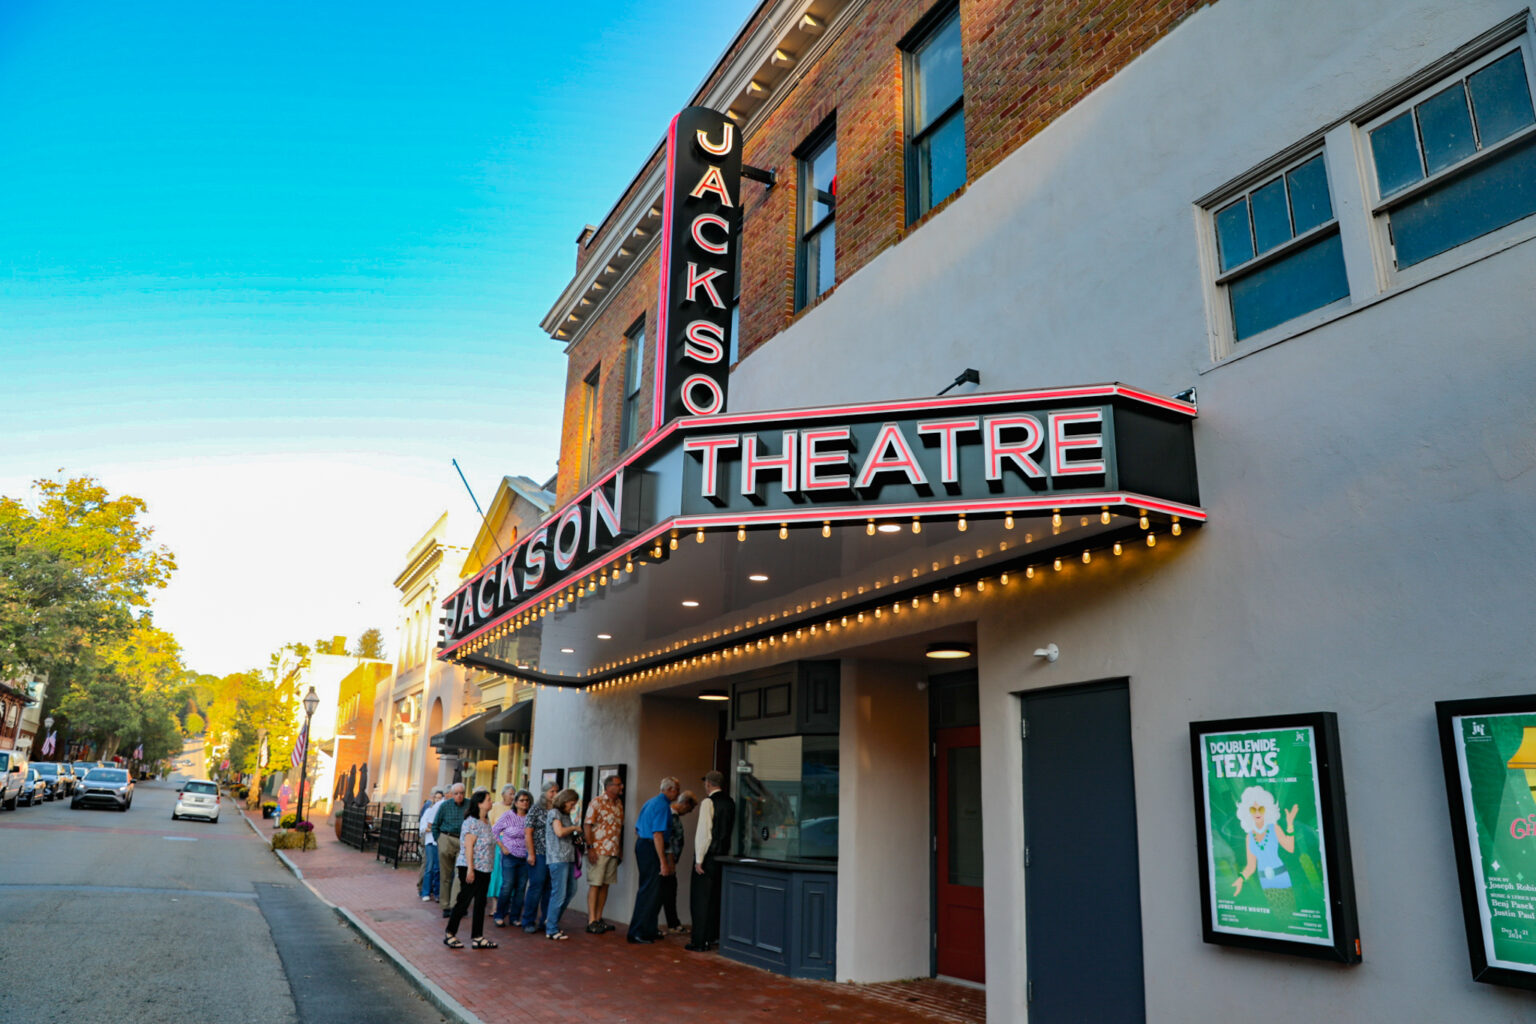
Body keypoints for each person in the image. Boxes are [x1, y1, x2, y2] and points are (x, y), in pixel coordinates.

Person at [627, 776, 680, 944]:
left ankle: (648, 929)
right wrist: (663, 862)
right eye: (677, 789)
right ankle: (637, 932)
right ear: (670, 790)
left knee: (652, 890)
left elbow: (638, 828)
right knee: (649, 890)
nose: (677, 793)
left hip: (642, 844)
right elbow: (657, 834)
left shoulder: (650, 802)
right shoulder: (663, 806)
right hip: (652, 847)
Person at [686, 771, 735, 952]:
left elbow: (704, 833)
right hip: (723, 855)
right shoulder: (730, 802)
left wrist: (699, 859)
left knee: (701, 900)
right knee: (715, 898)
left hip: (708, 856)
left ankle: (700, 940)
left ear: (708, 784)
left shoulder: (708, 802)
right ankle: (713, 935)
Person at [444, 788, 497, 950]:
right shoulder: (471, 822)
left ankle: (477, 936)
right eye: (488, 799)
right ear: (479, 804)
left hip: (485, 868)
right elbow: (468, 846)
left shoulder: (486, 822)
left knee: (481, 902)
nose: (491, 802)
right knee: (464, 901)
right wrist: (470, 869)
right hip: (471, 867)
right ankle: (450, 933)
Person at [582, 773, 625, 934]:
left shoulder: (619, 804)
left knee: (606, 884)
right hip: (598, 850)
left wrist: (619, 848)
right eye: (618, 784)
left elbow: (619, 828)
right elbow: (587, 825)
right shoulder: (597, 802)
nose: (621, 787)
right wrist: (590, 847)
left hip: (612, 850)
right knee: (595, 883)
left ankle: (599, 918)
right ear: (608, 787)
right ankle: (591, 919)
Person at [520, 781, 560, 933]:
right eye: (552, 791)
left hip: (553, 854)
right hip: (539, 853)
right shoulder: (536, 809)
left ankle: (546, 920)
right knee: (536, 885)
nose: (554, 794)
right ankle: (528, 920)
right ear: (544, 793)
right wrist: (531, 853)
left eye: (556, 791)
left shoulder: (557, 810)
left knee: (550, 888)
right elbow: (528, 832)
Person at [544, 788, 583, 940]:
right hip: (558, 858)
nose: (572, 807)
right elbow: (559, 832)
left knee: (571, 890)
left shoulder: (566, 815)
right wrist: (574, 828)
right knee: (559, 893)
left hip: (569, 857)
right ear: (565, 801)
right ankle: (551, 928)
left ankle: (552, 919)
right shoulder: (554, 813)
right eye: (572, 804)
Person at [491, 788, 532, 927]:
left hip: (524, 857)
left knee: (520, 888)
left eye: (527, 800)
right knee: (507, 885)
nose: (524, 803)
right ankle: (499, 914)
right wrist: (502, 847)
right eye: (521, 800)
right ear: (515, 802)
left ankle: (515, 917)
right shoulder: (508, 815)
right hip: (510, 856)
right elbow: (494, 831)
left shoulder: (529, 817)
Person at [660, 791, 698, 935]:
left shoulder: (672, 815)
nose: (688, 812)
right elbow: (670, 840)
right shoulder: (671, 815)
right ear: (685, 803)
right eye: (689, 809)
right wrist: (670, 862)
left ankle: (673, 923)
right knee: (667, 891)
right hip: (668, 860)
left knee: (670, 890)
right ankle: (672, 923)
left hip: (670, 859)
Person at [434, 783, 468, 918]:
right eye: (457, 793)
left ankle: (456, 905)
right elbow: (436, 824)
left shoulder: (469, 804)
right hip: (447, 838)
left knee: (460, 874)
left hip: (463, 841)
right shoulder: (445, 805)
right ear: (452, 794)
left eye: (462, 793)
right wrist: (440, 841)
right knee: (445, 875)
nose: (459, 796)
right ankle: (445, 905)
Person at [418, 789, 445, 902]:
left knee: (437, 868)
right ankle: (425, 891)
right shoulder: (429, 811)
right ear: (433, 799)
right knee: (429, 867)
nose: (438, 800)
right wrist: (432, 829)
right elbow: (423, 827)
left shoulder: (442, 811)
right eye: (436, 798)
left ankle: (437, 892)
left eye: (440, 798)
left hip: (439, 842)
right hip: (430, 841)